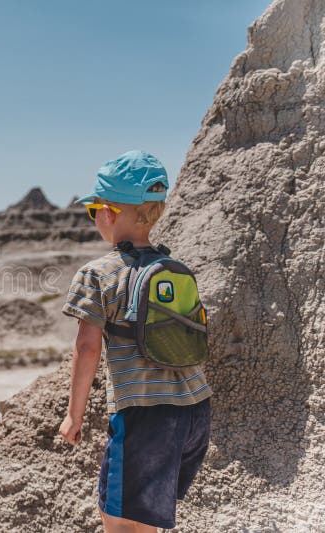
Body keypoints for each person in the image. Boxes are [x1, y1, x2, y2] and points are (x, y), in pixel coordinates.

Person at [58, 150, 212, 532]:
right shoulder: (175, 268)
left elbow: (87, 347)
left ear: (107, 213)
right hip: (194, 408)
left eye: (94, 210)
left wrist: (74, 415)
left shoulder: (98, 273)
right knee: (144, 520)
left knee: (120, 522)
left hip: (145, 413)